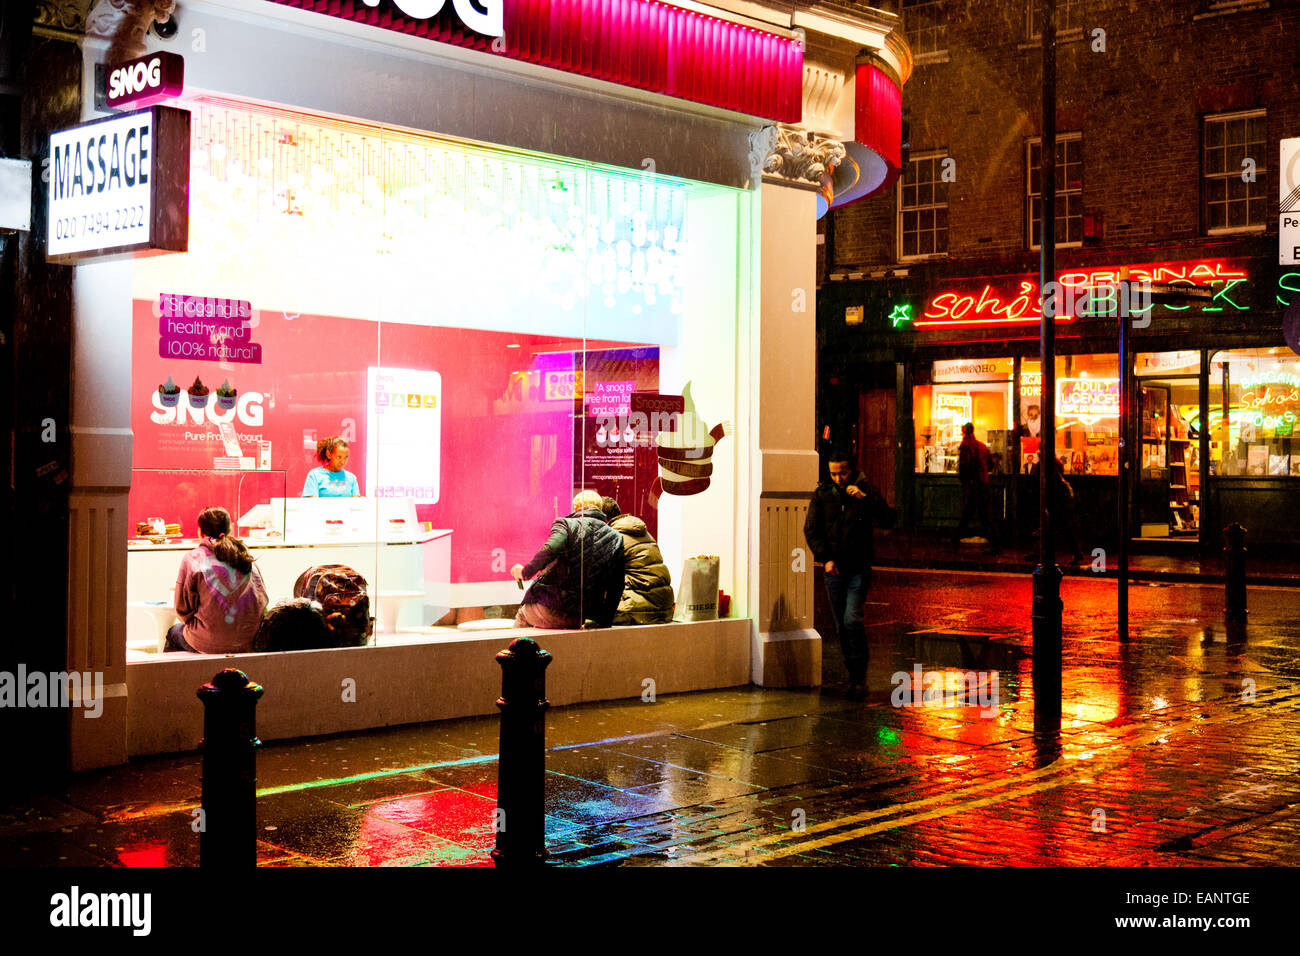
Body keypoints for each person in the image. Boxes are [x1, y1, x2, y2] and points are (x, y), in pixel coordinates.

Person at [803, 453, 896, 696]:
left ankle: (858, 674)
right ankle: (853, 673)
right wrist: (826, 558)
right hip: (834, 569)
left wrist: (865, 499)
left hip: (858, 568)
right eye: (833, 473)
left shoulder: (865, 491)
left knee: (851, 619)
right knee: (840, 626)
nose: (838, 478)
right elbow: (812, 529)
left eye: (842, 473)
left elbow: (888, 519)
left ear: (852, 470)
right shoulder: (823, 494)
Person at [511, 490, 625, 629]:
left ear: (576, 508)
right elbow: (617, 585)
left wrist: (525, 572)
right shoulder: (616, 537)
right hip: (580, 616)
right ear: (600, 509)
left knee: (523, 616)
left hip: (552, 607)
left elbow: (549, 550)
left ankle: (516, 649)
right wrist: (605, 622)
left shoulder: (566, 524)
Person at [167, 507, 269, 653]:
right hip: (251, 641)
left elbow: (182, 610)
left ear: (200, 532)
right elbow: (262, 600)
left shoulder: (193, 558)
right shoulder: (246, 557)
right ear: (230, 529)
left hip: (208, 642)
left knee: (174, 633)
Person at [600, 497, 674, 625]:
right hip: (664, 608)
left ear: (604, 520)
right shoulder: (644, 533)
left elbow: (603, 579)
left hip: (636, 609)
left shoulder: (613, 537)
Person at [954, 422, 1000, 550]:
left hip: (973, 484)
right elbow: (991, 464)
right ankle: (994, 541)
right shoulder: (982, 446)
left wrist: (966, 482)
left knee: (969, 513)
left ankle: (957, 540)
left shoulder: (966, 446)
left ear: (964, 431)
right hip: (983, 483)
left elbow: (964, 467)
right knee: (984, 514)